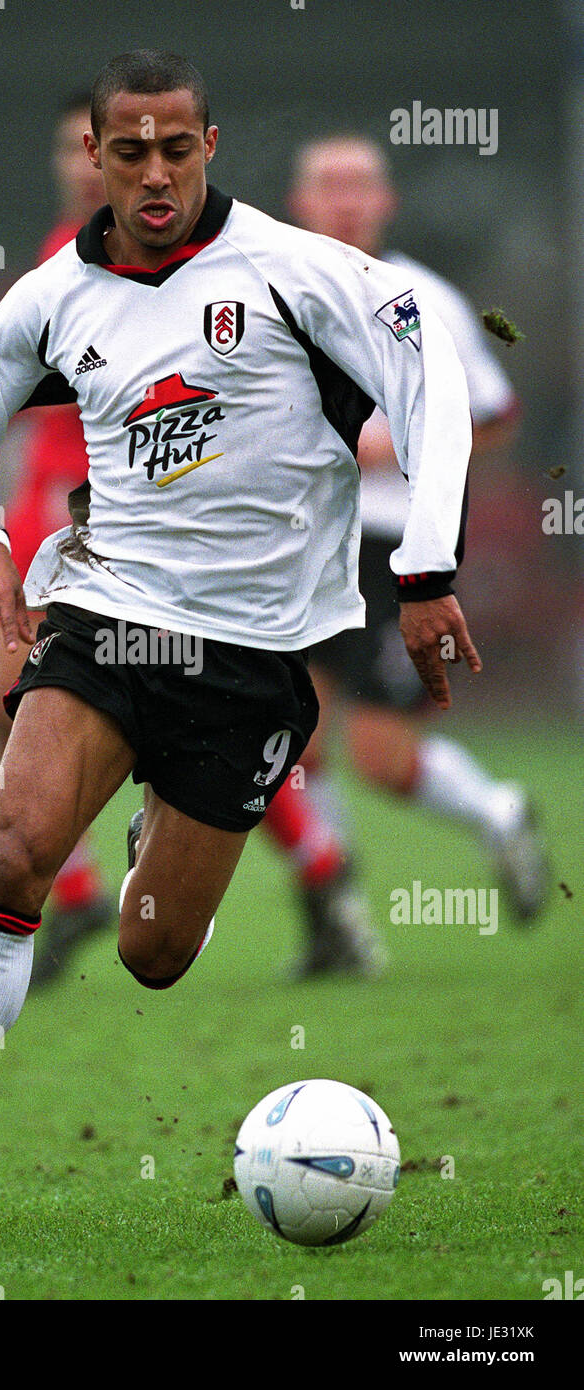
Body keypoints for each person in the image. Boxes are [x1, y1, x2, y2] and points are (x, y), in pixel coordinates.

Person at [0, 50, 479, 1243]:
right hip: (106, 614)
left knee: (153, 954)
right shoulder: (48, 294)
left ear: (208, 148)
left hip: (254, 657)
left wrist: (426, 572)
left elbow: (427, 377)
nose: (152, 173)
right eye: (126, 152)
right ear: (95, 156)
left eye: (174, 149)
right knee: (19, 847)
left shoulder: (298, 271)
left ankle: (156, 842)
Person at [282, 134, 548, 966]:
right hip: (294, 544)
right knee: (281, 737)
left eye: (360, 184)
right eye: (328, 184)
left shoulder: (419, 297)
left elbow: (495, 413)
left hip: (390, 547)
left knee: (376, 755)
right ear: (300, 202)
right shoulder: (270, 290)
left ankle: (497, 812)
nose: (345, 200)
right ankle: (336, 921)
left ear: (385, 201)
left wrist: (389, 440)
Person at [0, 93, 114, 986]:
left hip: (104, 514)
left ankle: (77, 890)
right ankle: (75, 889)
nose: (79, 163)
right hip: (44, 512)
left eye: (92, 147)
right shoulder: (53, 257)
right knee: (7, 706)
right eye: (67, 147)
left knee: (176, 712)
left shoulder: (152, 265)